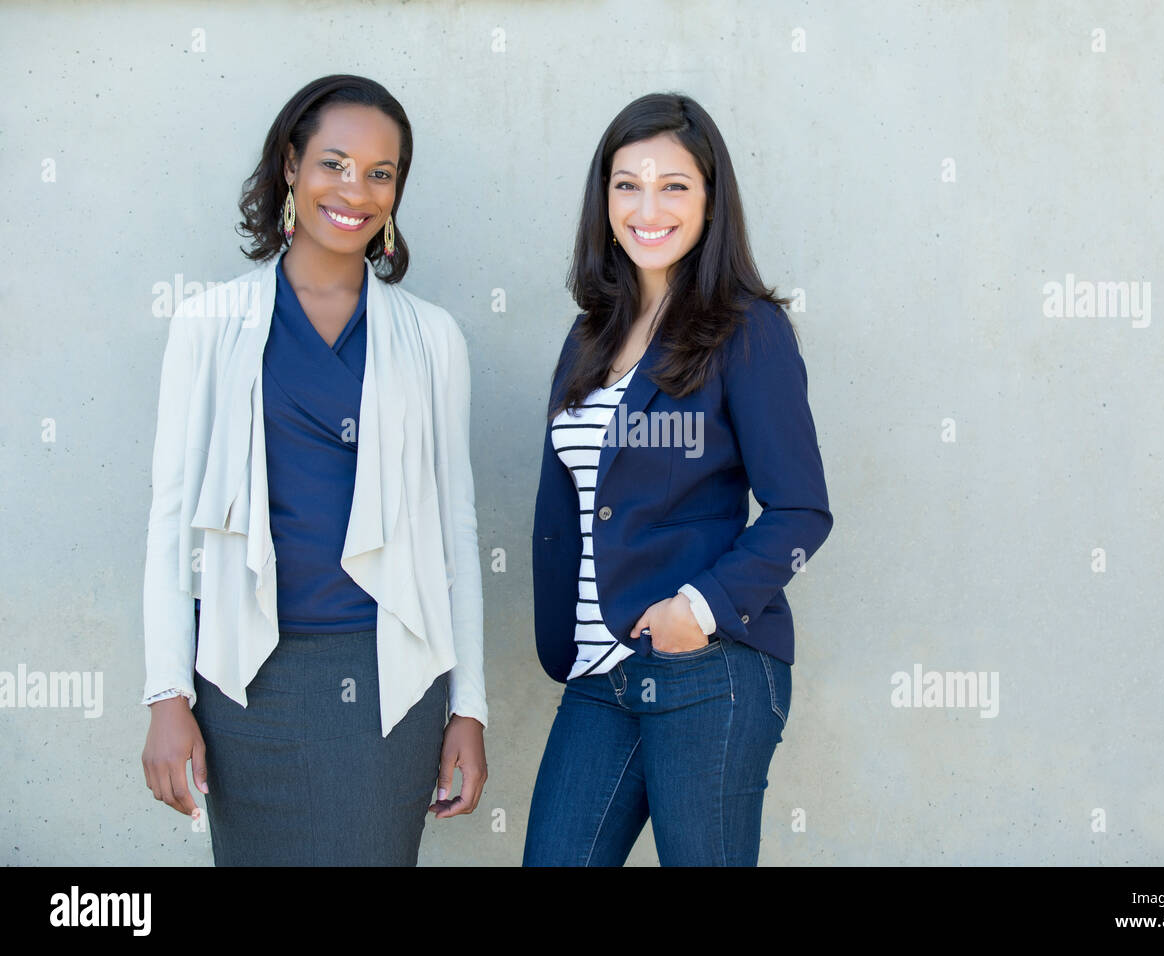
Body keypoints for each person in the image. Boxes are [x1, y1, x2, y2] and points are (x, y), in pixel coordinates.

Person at [139, 74, 487, 865]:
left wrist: (469, 710)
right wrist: (167, 694)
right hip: (243, 681)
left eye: (381, 173)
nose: (355, 191)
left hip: (387, 684)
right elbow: (169, 524)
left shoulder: (432, 338)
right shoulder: (208, 325)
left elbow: (454, 532)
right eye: (334, 163)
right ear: (290, 166)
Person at [524, 92, 833, 866]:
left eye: (674, 185)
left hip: (707, 663)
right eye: (627, 184)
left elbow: (801, 510)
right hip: (599, 669)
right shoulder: (589, 334)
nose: (647, 207)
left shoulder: (745, 328)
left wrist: (695, 610)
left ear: (710, 199)